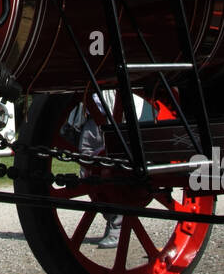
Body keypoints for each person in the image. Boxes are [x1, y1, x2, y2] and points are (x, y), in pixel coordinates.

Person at [62, 88, 155, 248]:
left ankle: (116, 228)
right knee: (89, 173)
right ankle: (111, 218)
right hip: (90, 120)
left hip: (114, 117)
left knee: (113, 172)